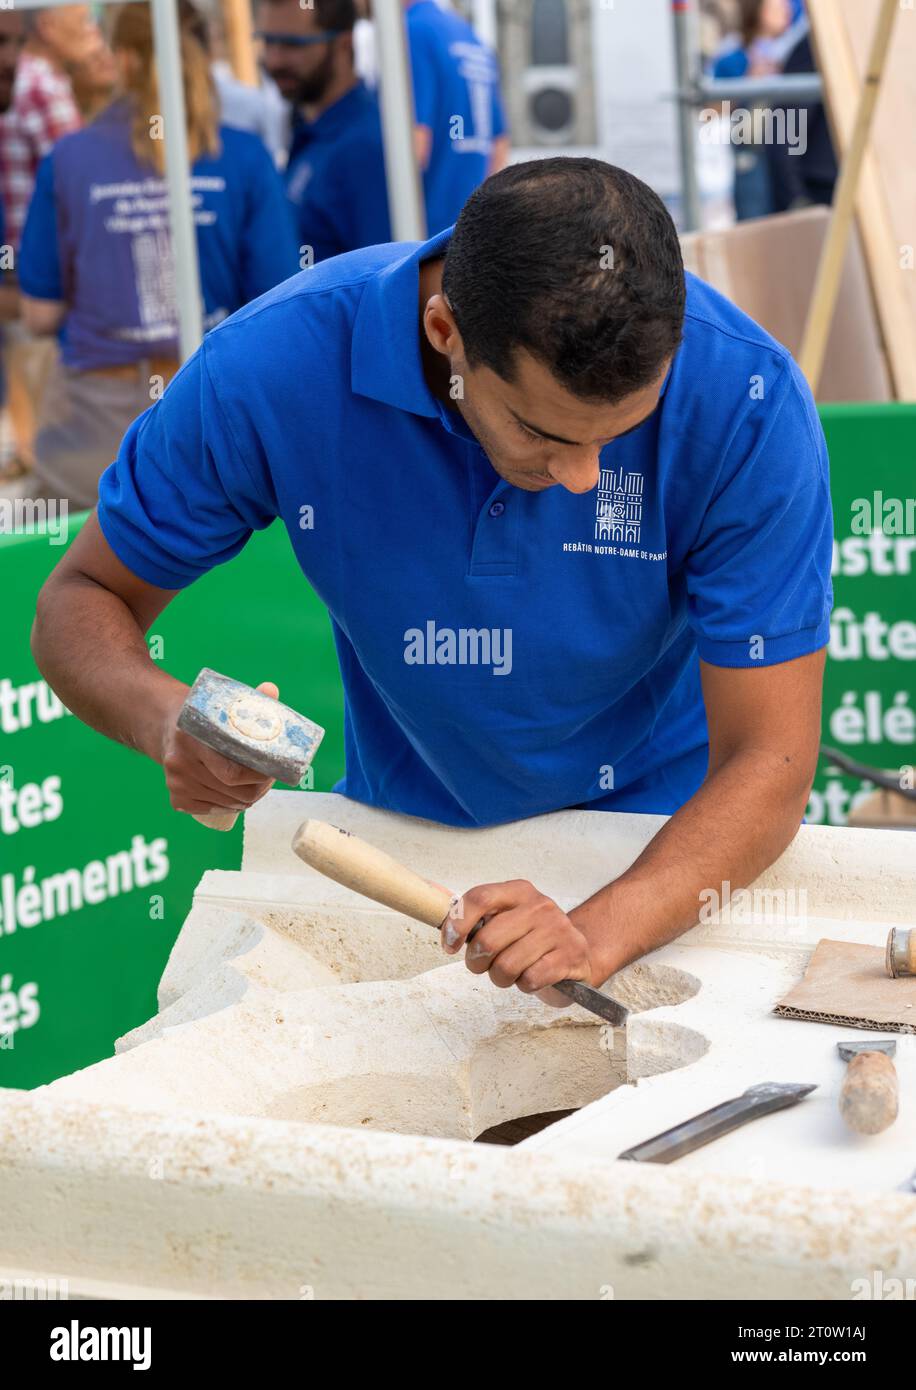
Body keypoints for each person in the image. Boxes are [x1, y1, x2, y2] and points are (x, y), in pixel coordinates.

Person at [34, 158, 833, 1009]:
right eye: (542, 432)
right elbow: (79, 601)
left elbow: (770, 760)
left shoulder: (747, 397)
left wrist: (594, 933)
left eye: (622, 434)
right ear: (445, 329)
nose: (583, 480)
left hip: (661, 853)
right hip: (403, 851)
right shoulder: (274, 365)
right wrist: (169, 722)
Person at [17, 1, 299, 511]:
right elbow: (276, 303)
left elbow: (40, 313)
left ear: (122, 59)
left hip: (94, 417)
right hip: (211, 405)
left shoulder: (69, 158)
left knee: (81, 575)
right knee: (217, 574)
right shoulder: (244, 157)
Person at [258, 0, 391, 261]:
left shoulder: (364, 147)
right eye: (267, 41)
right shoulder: (308, 128)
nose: (274, 60)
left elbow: (384, 276)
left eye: (292, 44)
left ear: (343, 43)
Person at [403, 0, 509, 234]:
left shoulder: (413, 30)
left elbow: (415, 143)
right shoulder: (471, 37)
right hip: (468, 236)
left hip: (423, 239)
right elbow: (499, 145)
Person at [712, 0, 794, 220]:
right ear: (756, 11)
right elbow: (712, 111)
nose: (785, 11)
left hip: (789, 153)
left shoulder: (793, 52)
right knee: (755, 218)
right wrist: (750, 83)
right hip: (752, 153)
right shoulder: (733, 56)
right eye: (775, 7)